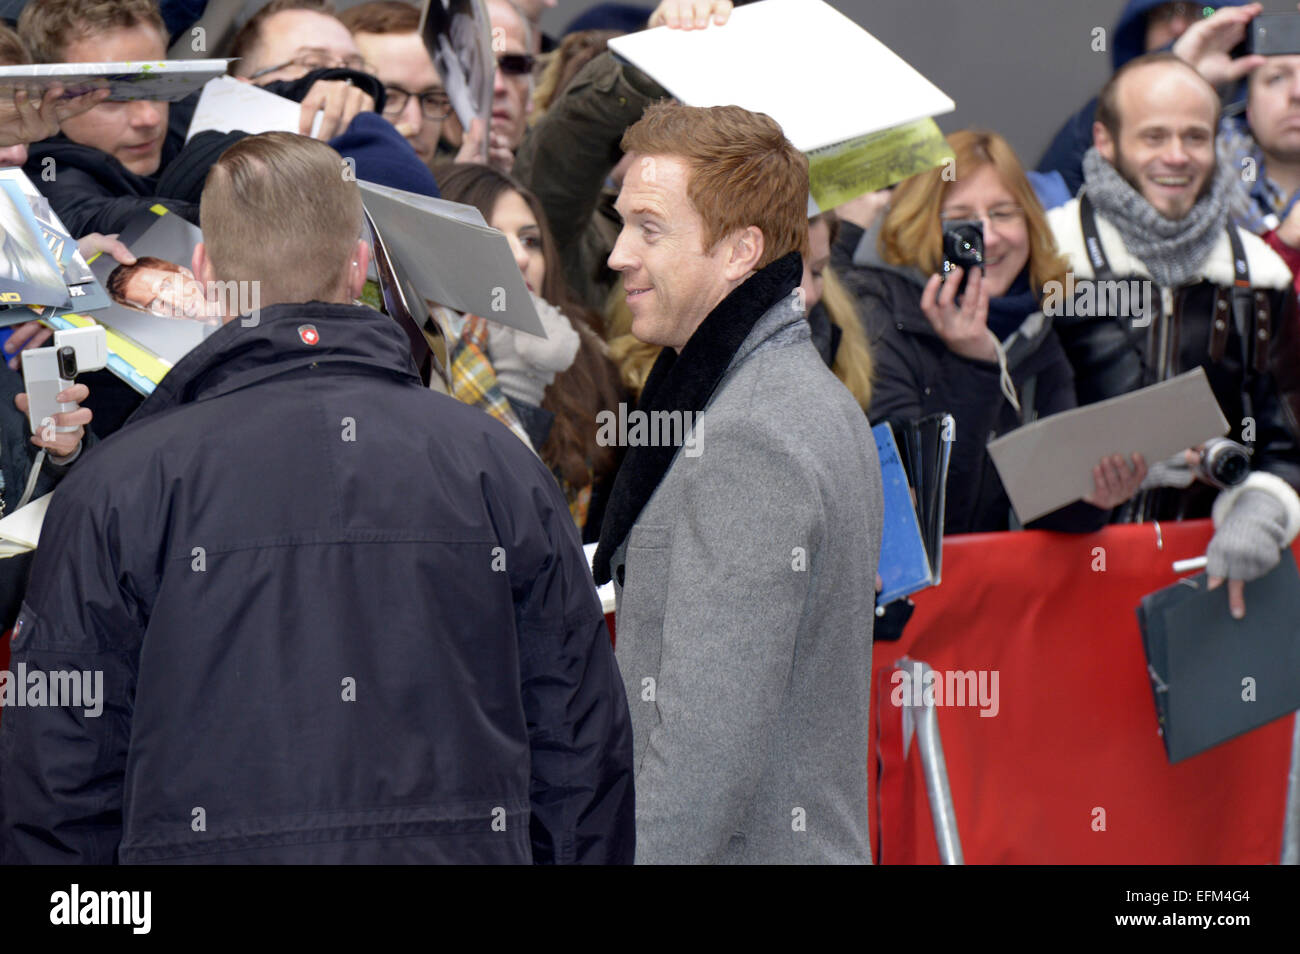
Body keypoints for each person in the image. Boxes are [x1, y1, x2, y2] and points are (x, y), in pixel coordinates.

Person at [0, 131, 634, 864]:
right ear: (359, 265)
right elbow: (580, 748)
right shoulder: (501, 468)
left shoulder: (117, 489)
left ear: (205, 269)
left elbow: (60, 776)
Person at [592, 101, 882, 864]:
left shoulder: (749, 432)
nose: (618, 254)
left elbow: (701, 754)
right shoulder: (803, 395)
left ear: (739, 251)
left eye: (649, 229)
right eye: (621, 222)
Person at [1048, 53, 1300, 618]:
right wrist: (1078, 489)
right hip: (1053, 590)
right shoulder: (1044, 253)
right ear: (1104, 140)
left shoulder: (1261, 273)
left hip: (1208, 589)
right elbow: (999, 437)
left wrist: (1263, 505)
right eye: (1154, 136)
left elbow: (1288, 443)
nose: (1177, 156)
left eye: (1195, 136)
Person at [839, 129, 1148, 535]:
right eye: (962, 222)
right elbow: (925, 513)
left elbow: (1037, 501)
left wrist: (1091, 500)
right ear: (920, 226)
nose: (987, 238)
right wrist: (973, 363)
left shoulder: (1036, 321)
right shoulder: (874, 314)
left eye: (1004, 213)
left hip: (998, 589)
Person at [433, 161, 624, 539]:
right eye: (490, 238)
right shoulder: (407, 364)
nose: (520, 257)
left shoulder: (589, 361)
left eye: (530, 241)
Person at [1037, 1, 1248, 199]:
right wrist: (1175, 61)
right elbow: (1051, 188)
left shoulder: (1263, 118)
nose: (1177, 26)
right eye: (1164, 14)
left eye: (1203, 12)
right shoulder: (1095, 122)